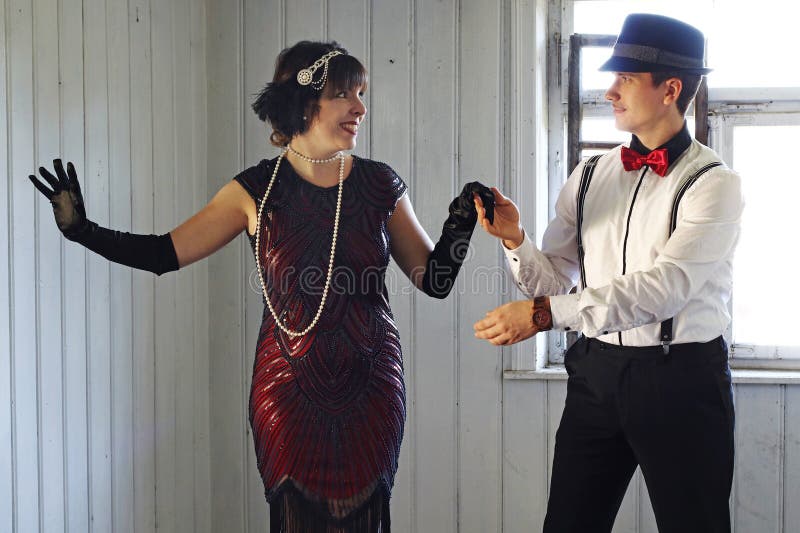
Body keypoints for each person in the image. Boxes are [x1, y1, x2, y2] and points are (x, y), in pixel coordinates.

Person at [29, 40, 494, 532]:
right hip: (286, 394)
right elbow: (164, 254)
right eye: (344, 94)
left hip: (372, 389)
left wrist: (462, 221)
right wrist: (84, 231)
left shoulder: (380, 185)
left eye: (361, 94)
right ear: (305, 102)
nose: (360, 108)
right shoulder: (254, 190)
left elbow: (435, 280)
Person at [473, 14, 741, 533]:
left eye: (625, 78)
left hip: (681, 381)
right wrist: (515, 239)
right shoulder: (590, 174)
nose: (610, 91)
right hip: (596, 375)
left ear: (670, 89)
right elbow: (555, 279)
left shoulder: (714, 184)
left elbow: (664, 290)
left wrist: (543, 315)